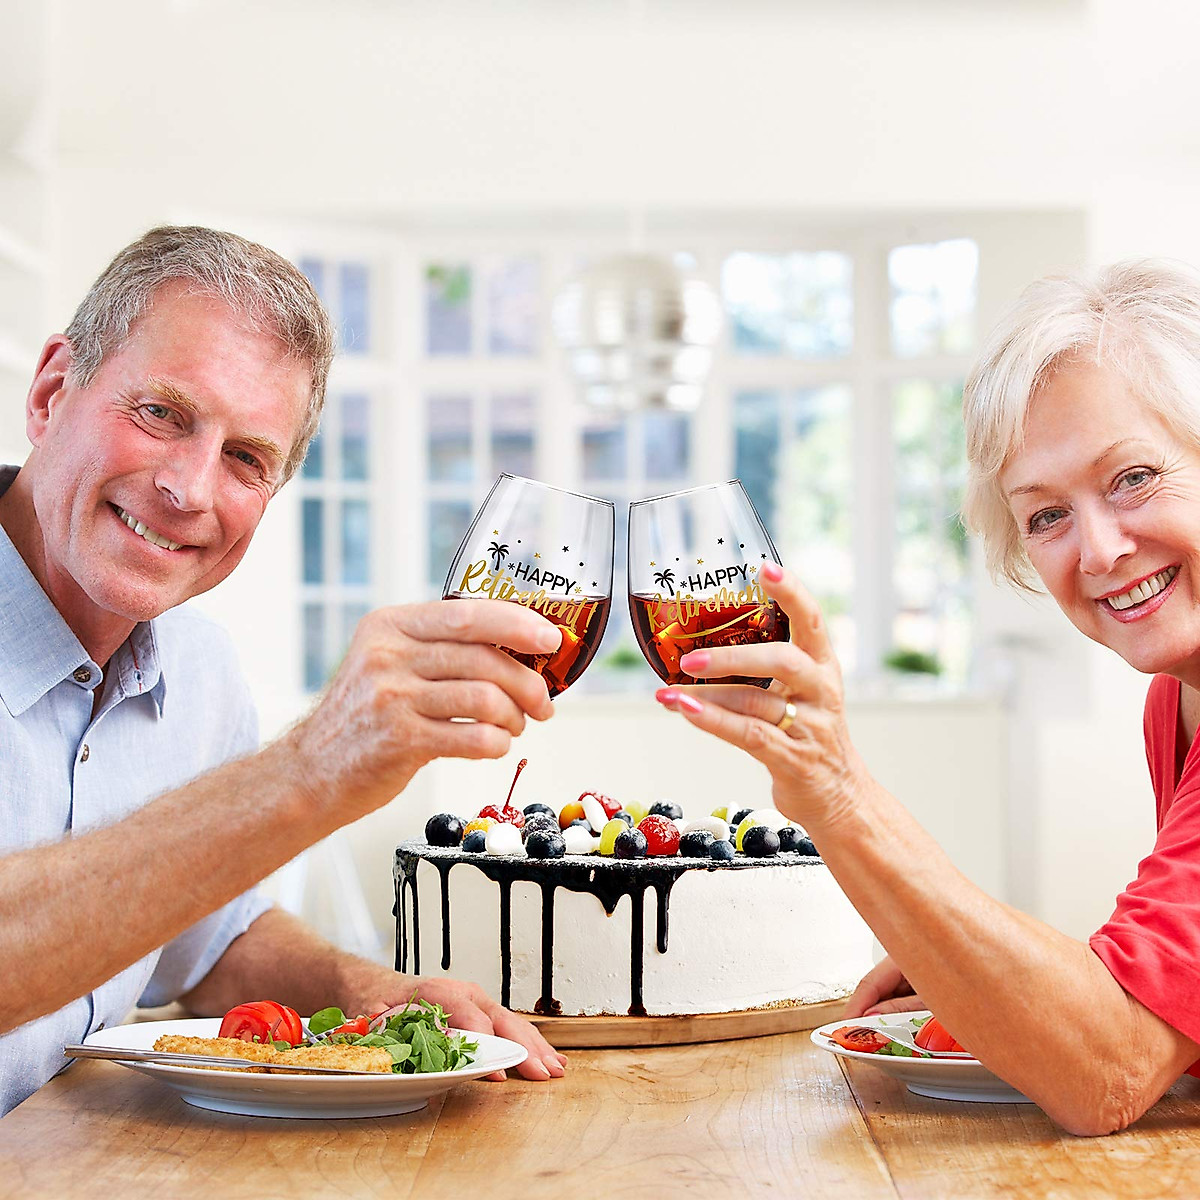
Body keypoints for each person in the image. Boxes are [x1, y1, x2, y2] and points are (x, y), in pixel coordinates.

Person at [0, 226, 566, 1116]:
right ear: (49, 394)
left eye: (245, 459)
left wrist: (364, 989)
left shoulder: (201, 671)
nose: (188, 488)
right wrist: (308, 773)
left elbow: (210, 940)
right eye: (161, 414)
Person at [654, 258, 1200, 1137]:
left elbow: (1113, 1067)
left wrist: (834, 790)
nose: (1096, 550)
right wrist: (973, 977)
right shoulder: (1175, 699)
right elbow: (1169, 1000)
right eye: (1045, 515)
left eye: (1133, 477)